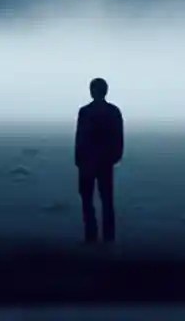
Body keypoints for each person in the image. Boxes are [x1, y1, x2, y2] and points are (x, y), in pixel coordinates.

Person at [75, 77, 123, 244]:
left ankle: (91, 235)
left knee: (88, 200)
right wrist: (115, 157)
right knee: (106, 200)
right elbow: (119, 138)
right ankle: (107, 236)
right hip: (104, 162)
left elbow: (80, 138)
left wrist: (79, 159)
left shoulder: (85, 112)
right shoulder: (113, 111)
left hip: (89, 162)